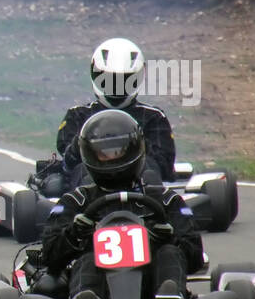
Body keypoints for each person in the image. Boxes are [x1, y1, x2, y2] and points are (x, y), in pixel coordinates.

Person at [41, 110, 204, 299]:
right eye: (104, 153)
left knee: (170, 252)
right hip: (100, 290)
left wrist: (169, 239)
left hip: (151, 288)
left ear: (135, 149)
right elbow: (49, 257)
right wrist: (74, 235)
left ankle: (169, 297)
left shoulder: (165, 199)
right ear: (90, 155)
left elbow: (196, 257)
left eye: (119, 151)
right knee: (88, 257)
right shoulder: (75, 201)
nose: (112, 159)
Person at [54, 37, 176, 190]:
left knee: (150, 172)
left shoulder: (154, 117)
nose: (116, 87)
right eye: (109, 80)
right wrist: (83, 143)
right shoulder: (78, 116)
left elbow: (163, 166)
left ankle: (154, 211)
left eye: (124, 80)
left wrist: (135, 143)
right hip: (90, 197)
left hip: (141, 194)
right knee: (82, 170)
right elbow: (69, 163)